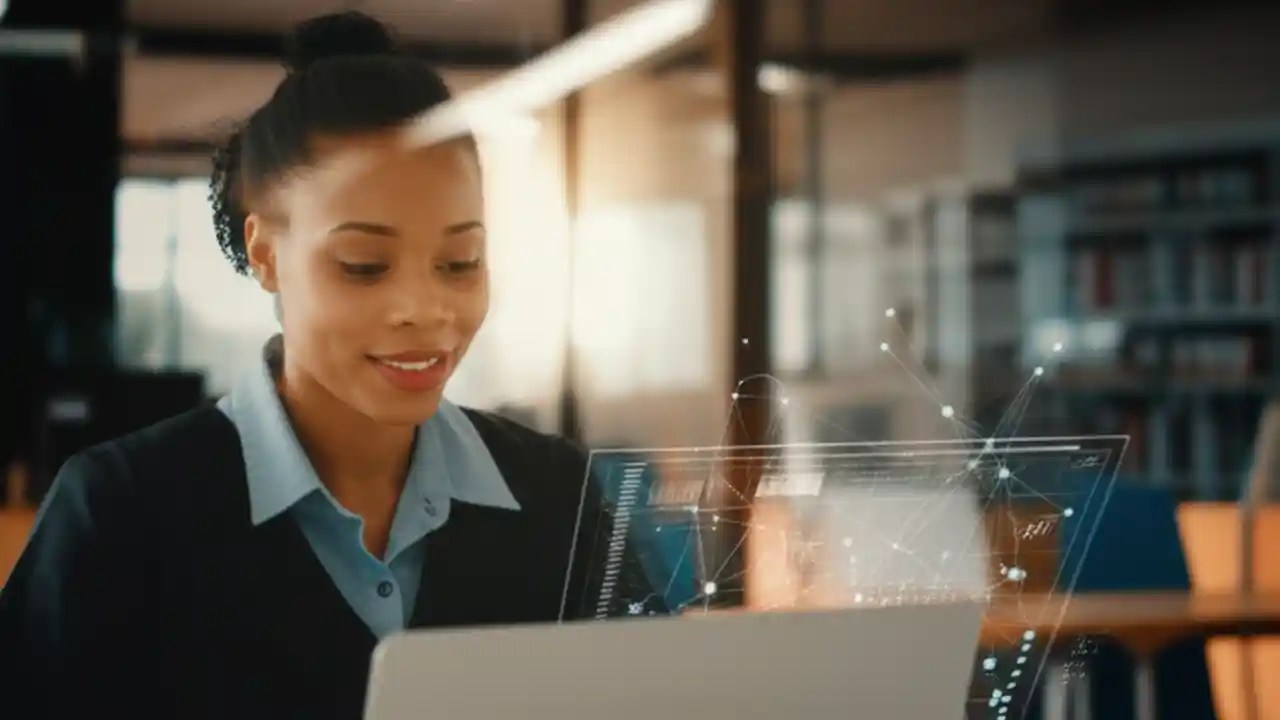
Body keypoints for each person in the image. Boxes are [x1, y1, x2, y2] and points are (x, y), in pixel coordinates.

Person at [0, 11, 659, 719]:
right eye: (364, 265)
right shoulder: (118, 515)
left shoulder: (563, 501)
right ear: (265, 254)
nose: (424, 309)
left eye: (459, 262)